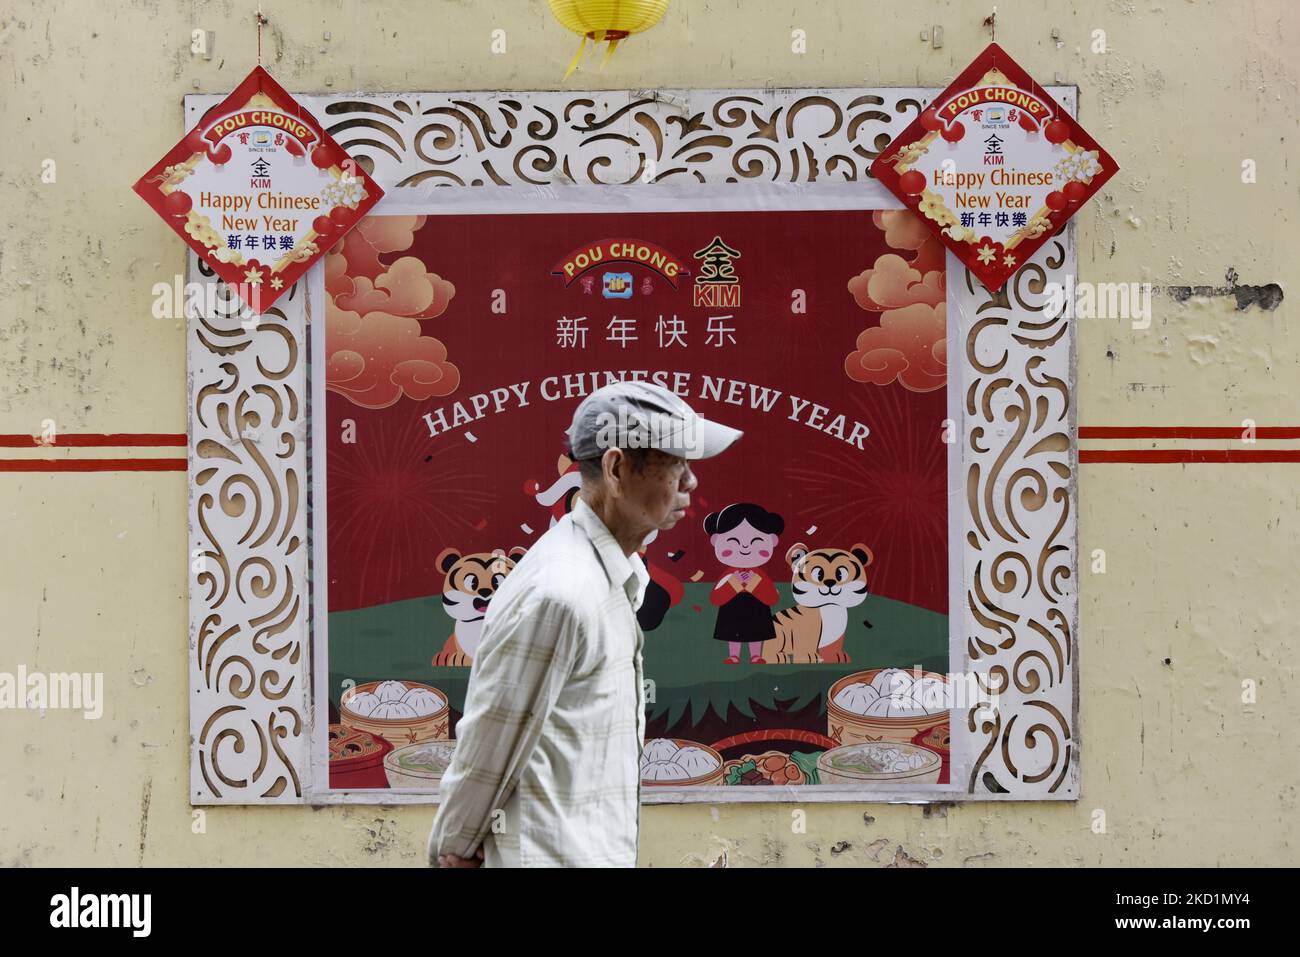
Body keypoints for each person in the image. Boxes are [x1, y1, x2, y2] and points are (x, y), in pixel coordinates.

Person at [426, 381, 743, 867]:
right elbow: (490, 743)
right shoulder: (562, 593)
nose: (691, 482)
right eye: (675, 462)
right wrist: (453, 850)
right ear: (617, 469)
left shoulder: (608, 575)